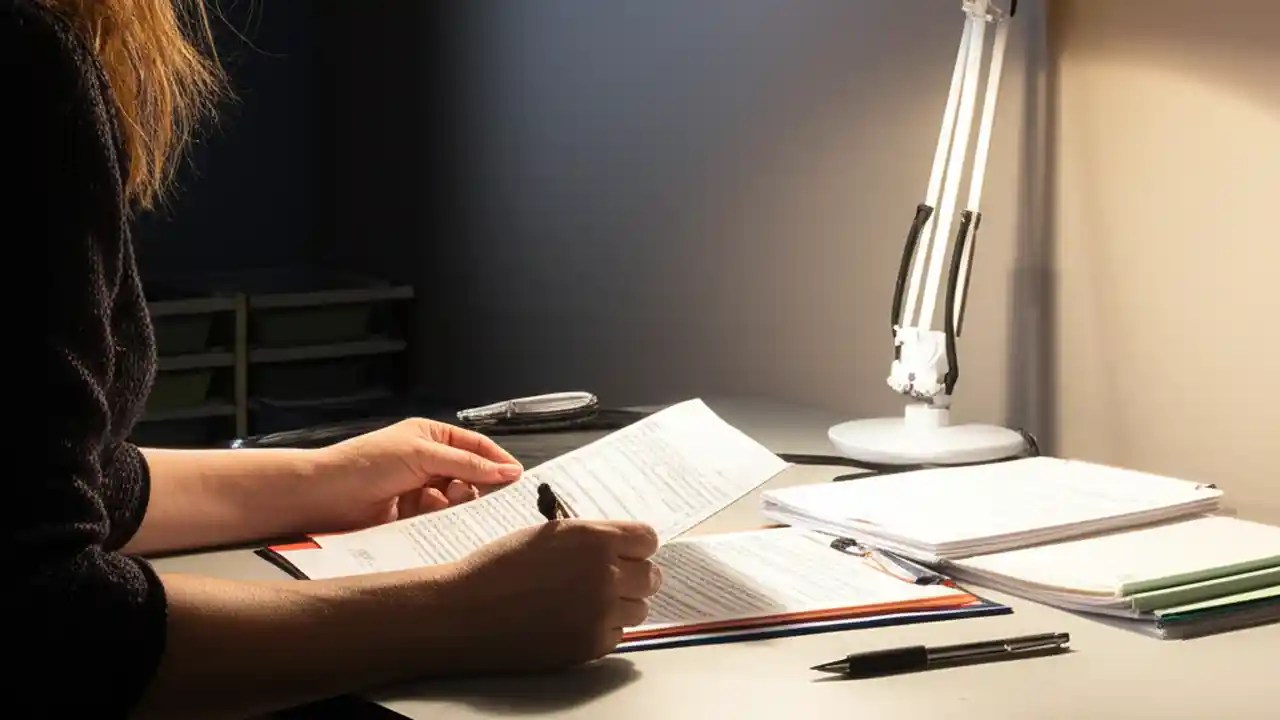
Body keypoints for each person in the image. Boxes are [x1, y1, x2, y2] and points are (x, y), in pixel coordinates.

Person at [17, 0, 662, 716]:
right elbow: (45, 632)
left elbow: (56, 481)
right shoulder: (20, 50)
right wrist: (465, 614)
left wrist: (328, 477)